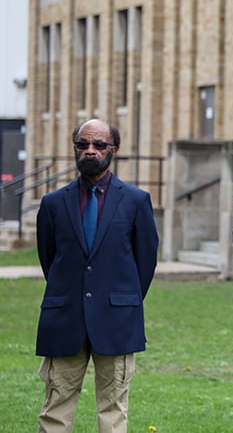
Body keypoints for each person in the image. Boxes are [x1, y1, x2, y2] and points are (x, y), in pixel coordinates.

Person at [35, 119, 159, 432]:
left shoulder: (135, 201)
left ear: (113, 150)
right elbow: (49, 259)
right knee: (55, 409)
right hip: (65, 319)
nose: (90, 150)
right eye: (83, 144)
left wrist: (120, 299)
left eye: (99, 145)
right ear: (75, 149)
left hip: (117, 321)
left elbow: (145, 261)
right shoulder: (52, 204)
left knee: (114, 410)